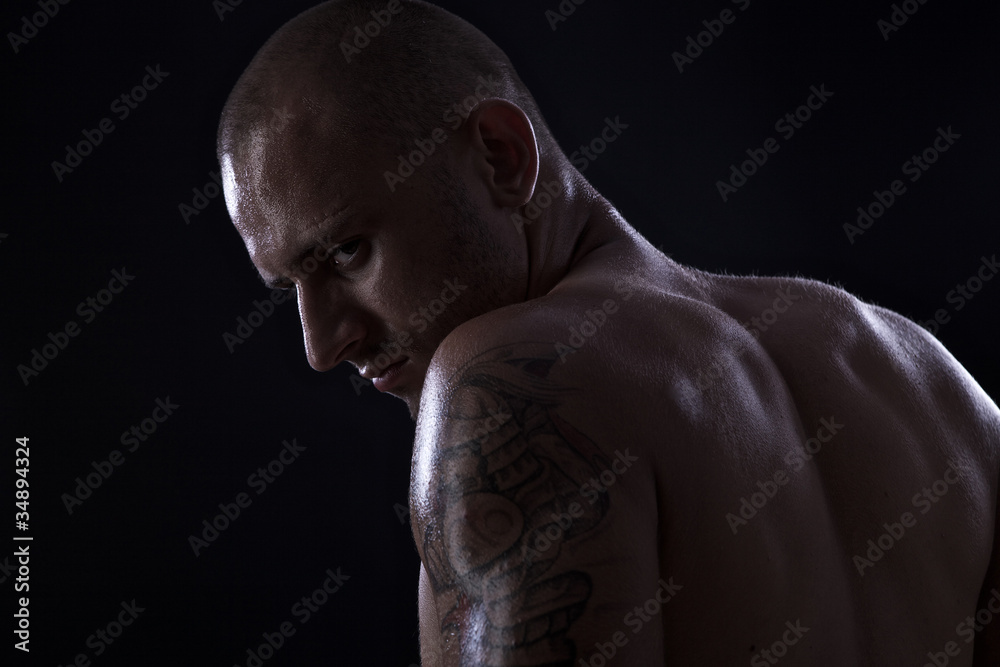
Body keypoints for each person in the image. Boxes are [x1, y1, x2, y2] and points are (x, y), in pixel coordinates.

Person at [216, 1, 1000, 664]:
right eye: (290, 286)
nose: (323, 344)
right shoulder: (922, 374)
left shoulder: (508, 386)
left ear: (499, 155)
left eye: (347, 251)